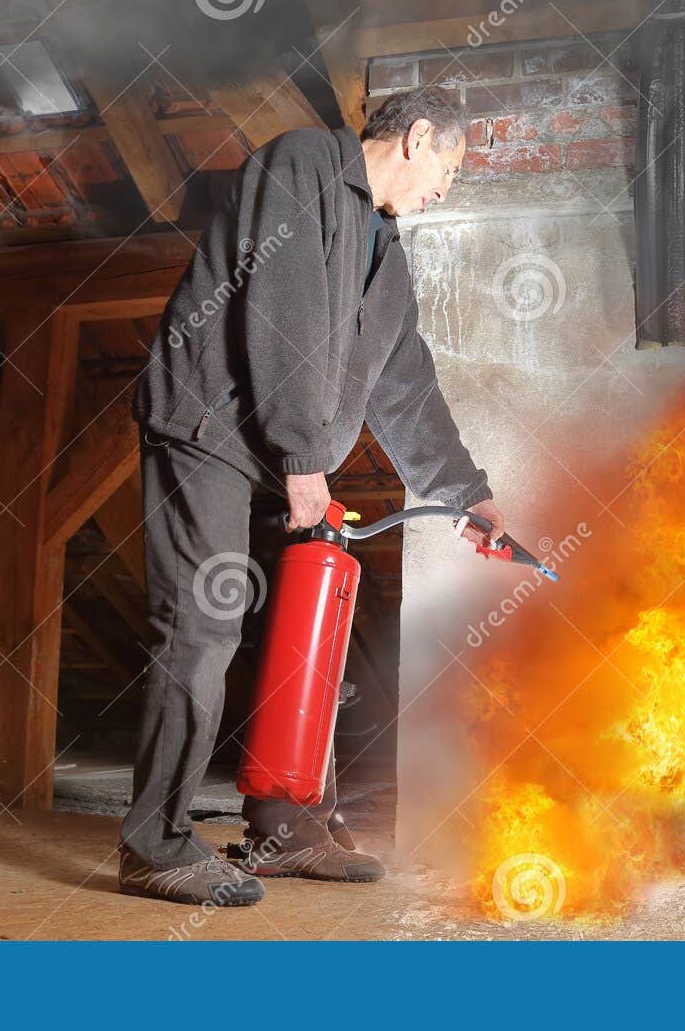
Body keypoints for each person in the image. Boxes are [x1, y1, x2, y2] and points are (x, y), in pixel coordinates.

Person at [121, 85, 503, 907]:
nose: (446, 190)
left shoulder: (387, 257)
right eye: (450, 168)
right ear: (418, 136)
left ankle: (284, 824)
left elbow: (407, 388)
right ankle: (155, 842)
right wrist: (302, 457)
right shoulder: (302, 165)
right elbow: (281, 307)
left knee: (313, 620)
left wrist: (466, 493)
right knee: (203, 622)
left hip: (278, 453)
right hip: (210, 430)